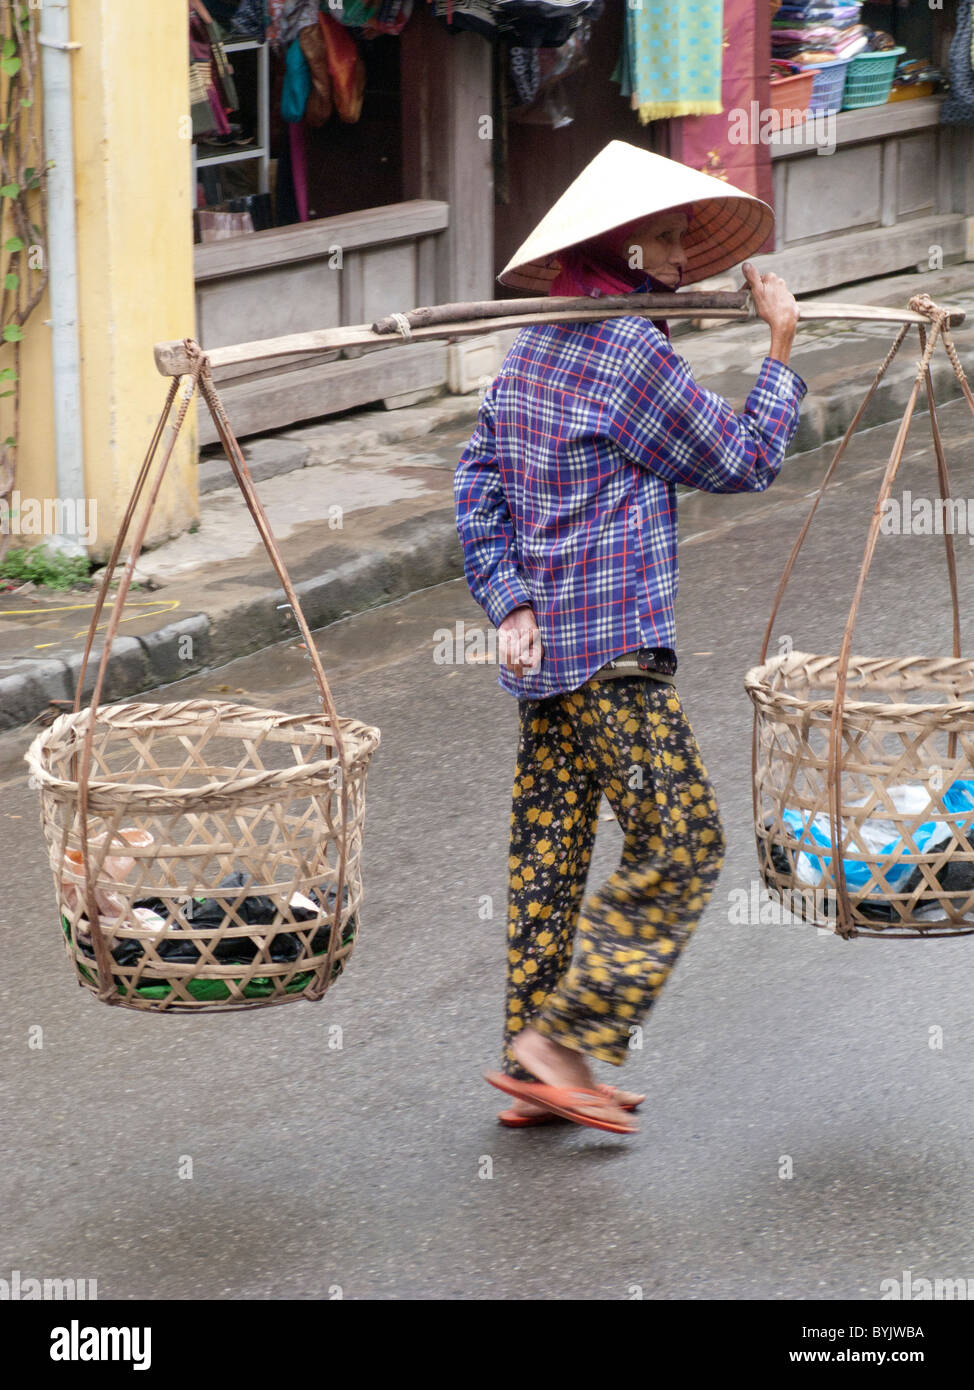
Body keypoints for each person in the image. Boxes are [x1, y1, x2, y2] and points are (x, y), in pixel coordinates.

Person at [454, 141, 806, 1135]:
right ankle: (561, 1048)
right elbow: (739, 459)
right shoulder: (626, 353)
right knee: (684, 843)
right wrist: (777, 346)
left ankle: (528, 1062)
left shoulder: (531, 346)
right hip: (614, 663)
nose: (679, 249)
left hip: (546, 668)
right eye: (662, 235)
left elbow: (473, 479)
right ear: (625, 249)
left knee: (547, 864)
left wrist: (507, 598)